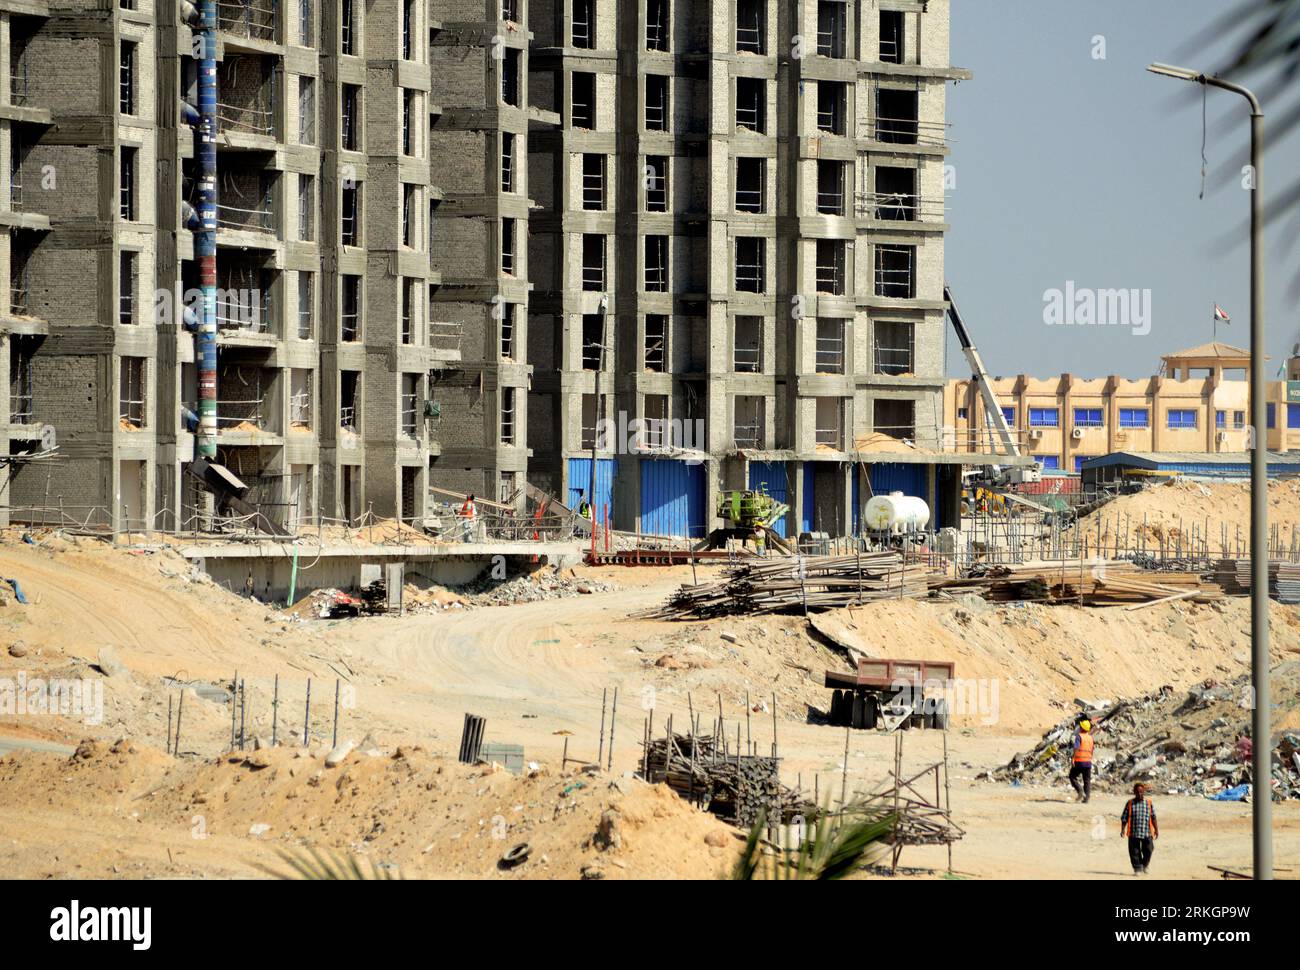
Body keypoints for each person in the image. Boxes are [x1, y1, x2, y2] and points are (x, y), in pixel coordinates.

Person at [1120, 782, 1159, 875]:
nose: (1139, 794)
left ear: (1144, 792)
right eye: (1137, 792)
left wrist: (1156, 830)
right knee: (1134, 851)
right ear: (1134, 792)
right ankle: (1137, 868)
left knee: (1149, 849)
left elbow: (1153, 817)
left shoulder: (1148, 803)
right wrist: (1122, 830)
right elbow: (1124, 818)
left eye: (1141, 792)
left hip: (1147, 832)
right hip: (1133, 832)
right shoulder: (1130, 803)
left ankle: (1145, 865)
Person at [1069, 718, 1094, 803]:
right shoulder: (1091, 738)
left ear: (1082, 728)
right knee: (1087, 780)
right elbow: (1092, 749)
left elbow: (1076, 748)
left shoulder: (1079, 737)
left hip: (1079, 761)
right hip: (1088, 761)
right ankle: (1086, 799)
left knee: (1072, 776)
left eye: (1080, 726)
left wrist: (1073, 758)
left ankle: (1080, 790)